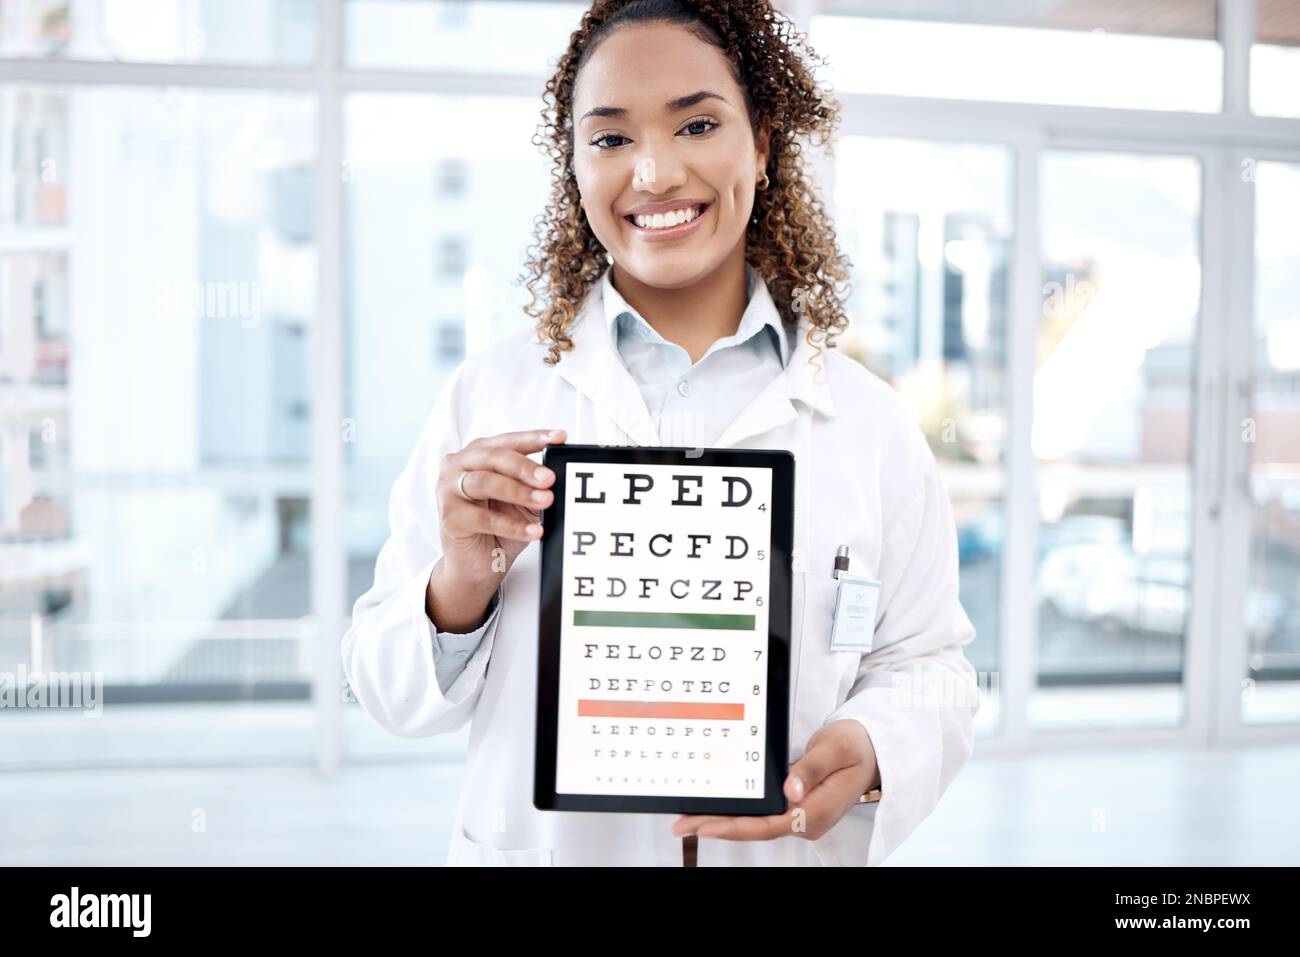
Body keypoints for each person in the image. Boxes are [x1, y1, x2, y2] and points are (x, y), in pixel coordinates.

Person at [341, 0, 979, 867]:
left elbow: (930, 664)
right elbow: (385, 683)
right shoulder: (491, 393)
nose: (653, 172)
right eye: (609, 139)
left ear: (761, 143)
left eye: (699, 124)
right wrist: (461, 581)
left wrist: (871, 746)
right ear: (573, 167)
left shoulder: (870, 426)